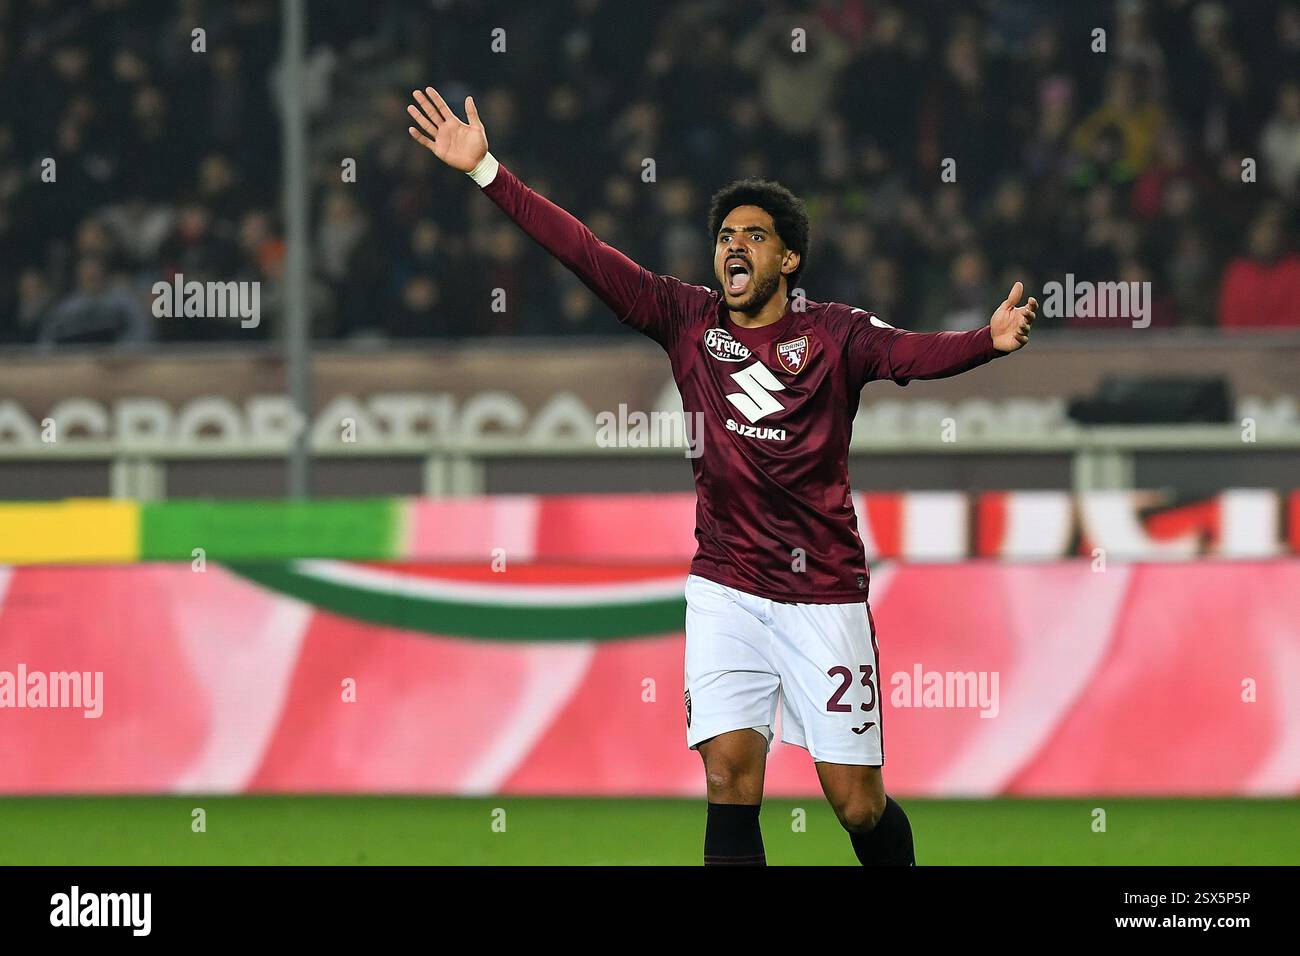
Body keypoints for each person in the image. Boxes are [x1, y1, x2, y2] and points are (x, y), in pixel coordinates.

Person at [407, 86, 1039, 865]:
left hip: (823, 596)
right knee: (729, 775)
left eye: (754, 236)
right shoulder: (684, 320)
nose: (734, 246)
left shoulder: (836, 336)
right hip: (726, 586)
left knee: (856, 802)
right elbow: (585, 253)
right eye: (725, 236)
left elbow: (913, 352)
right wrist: (488, 173)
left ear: (788, 258)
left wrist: (986, 339)